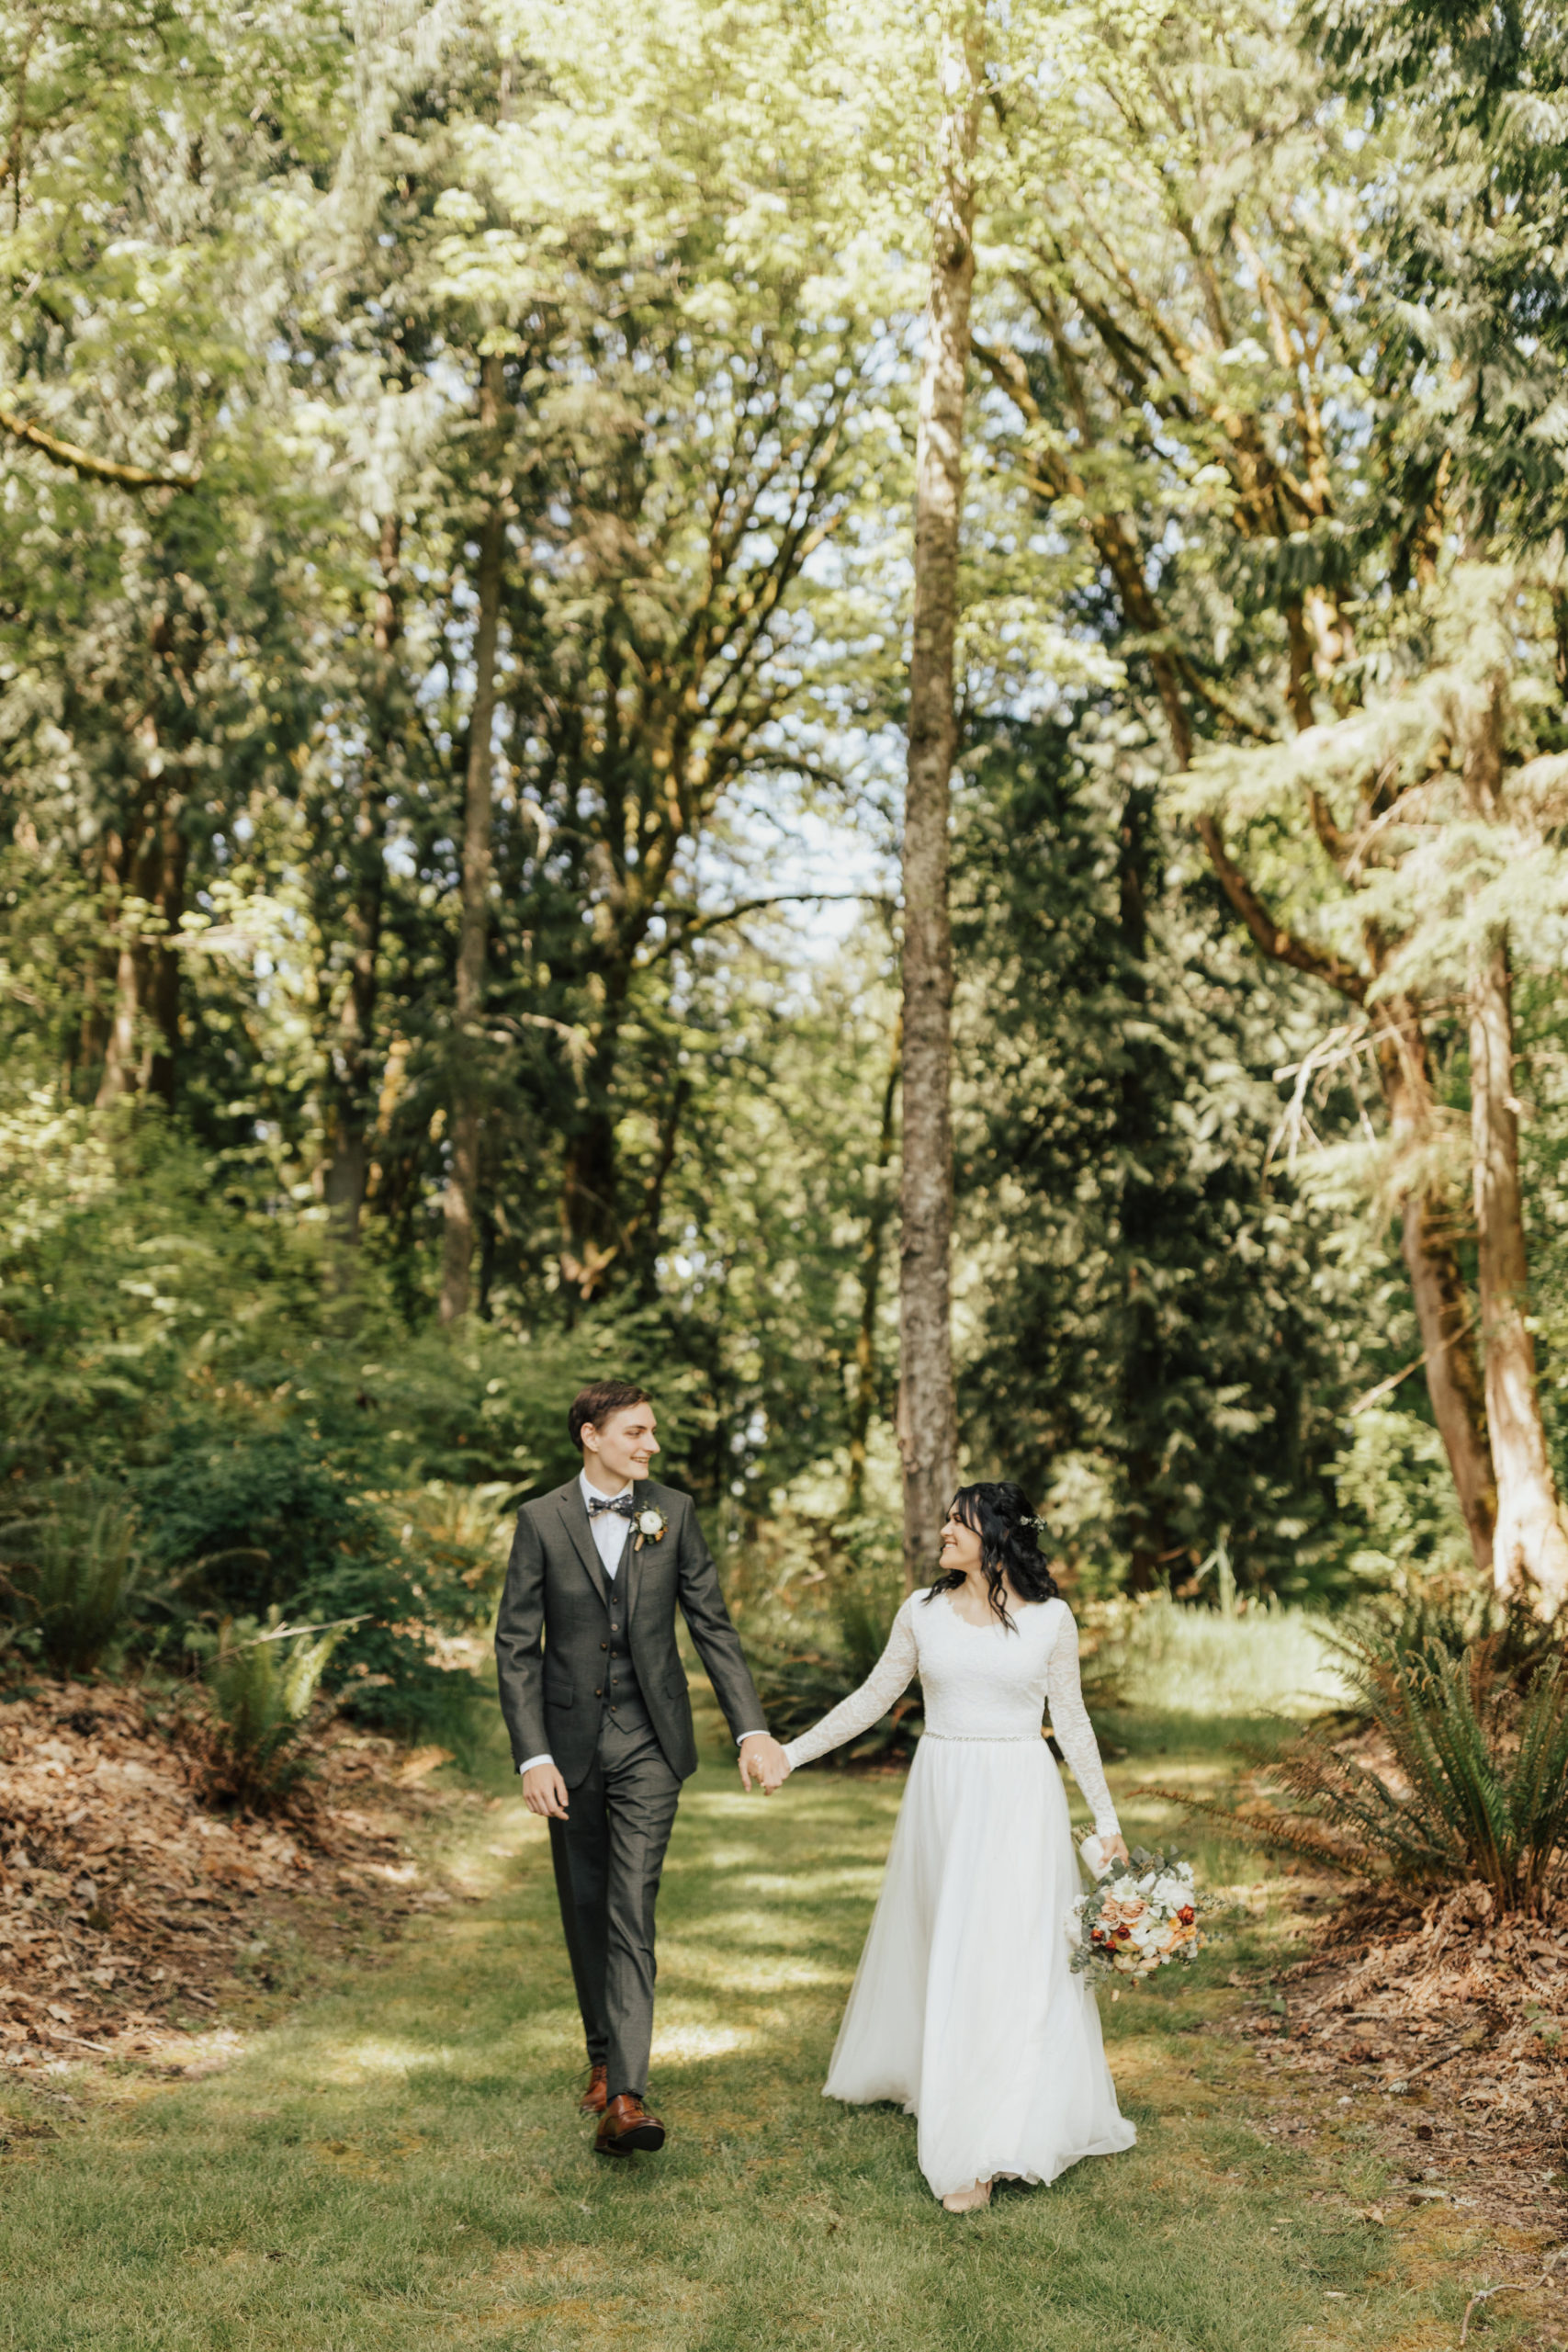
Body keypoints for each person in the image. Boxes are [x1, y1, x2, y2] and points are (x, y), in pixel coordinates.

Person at [755, 1481, 1136, 2211]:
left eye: (955, 1524)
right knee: (951, 1944)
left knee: (1011, 1954)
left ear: (995, 1536)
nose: (941, 1533)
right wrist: (790, 1754)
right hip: (942, 1792)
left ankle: (993, 2136)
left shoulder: (1052, 1620)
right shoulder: (921, 1613)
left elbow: (1075, 1724)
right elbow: (871, 1699)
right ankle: (953, 2083)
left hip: (1019, 1793)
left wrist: (1107, 1821)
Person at [495, 1381, 790, 2158]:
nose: (649, 1444)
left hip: (653, 1743)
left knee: (631, 1902)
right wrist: (533, 1755)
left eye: (651, 1432)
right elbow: (516, 1647)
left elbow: (713, 1628)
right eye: (635, 1431)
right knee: (585, 1901)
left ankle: (625, 2096)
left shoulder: (675, 1512)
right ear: (591, 1436)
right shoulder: (539, 1521)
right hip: (568, 1745)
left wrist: (751, 1731)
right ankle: (601, 2056)